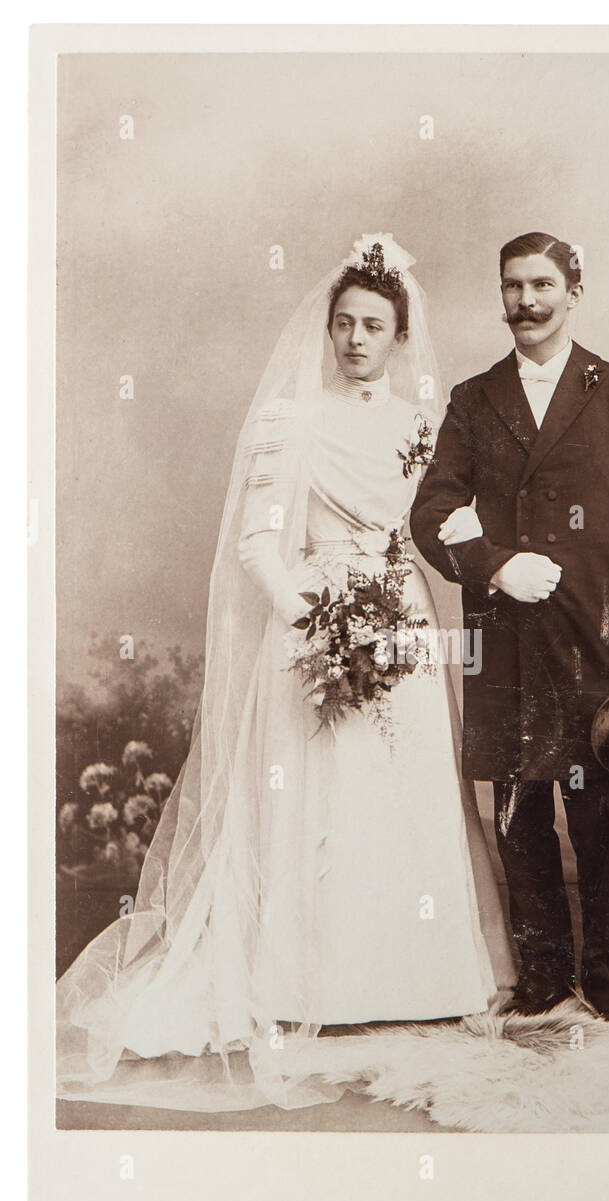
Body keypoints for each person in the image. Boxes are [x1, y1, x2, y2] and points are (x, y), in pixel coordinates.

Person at [56, 234, 515, 1114]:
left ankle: (418, 982)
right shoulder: (290, 420)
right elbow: (258, 544)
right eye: (343, 324)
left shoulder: (424, 423)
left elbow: (437, 527)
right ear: (328, 330)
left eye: (373, 326)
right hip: (317, 632)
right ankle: (312, 989)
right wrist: (320, 617)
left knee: (406, 797)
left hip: (406, 627)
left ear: (398, 334)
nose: (354, 340)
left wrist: (416, 591)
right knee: (322, 804)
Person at [410, 231, 609, 1019]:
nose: (524, 303)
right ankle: (538, 987)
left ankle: (607, 989)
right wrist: (494, 563)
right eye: (511, 288)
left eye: (540, 285)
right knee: (520, 817)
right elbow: (429, 513)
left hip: (596, 636)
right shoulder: (472, 397)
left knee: (601, 815)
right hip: (506, 635)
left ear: (573, 291)